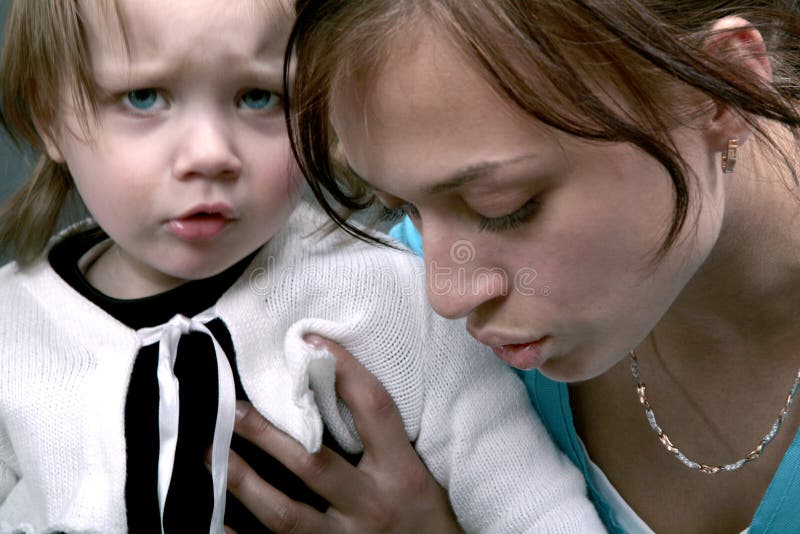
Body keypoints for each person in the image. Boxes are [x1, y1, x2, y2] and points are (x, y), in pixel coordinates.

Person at [0, 1, 605, 532]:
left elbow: (535, 508)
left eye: (259, 96)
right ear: (51, 115)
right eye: (144, 97)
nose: (210, 154)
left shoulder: (386, 294)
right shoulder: (13, 330)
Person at [283, 0, 800, 532]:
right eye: (401, 206)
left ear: (717, 93)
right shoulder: (393, 330)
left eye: (502, 206)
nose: (444, 296)